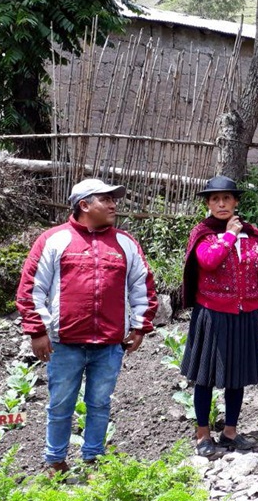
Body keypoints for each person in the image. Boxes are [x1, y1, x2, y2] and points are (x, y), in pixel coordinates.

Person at [16, 178, 158, 474]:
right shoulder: (54, 240)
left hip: (108, 345)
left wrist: (139, 327)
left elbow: (141, 286)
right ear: (84, 205)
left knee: (99, 404)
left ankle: (94, 458)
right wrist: (38, 331)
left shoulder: (125, 243)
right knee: (59, 406)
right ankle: (55, 461)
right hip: (64, 343)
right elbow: (32, 288)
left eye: (113, 199)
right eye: (104, 199)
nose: (113, 204)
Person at [180, 175, 258, 457]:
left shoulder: (252, 234)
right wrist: (228, 236)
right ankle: (202, 434)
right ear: (208, 204)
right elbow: (208, 262)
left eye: (226, 199)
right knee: (205, 376)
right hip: (212, 314)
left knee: (237, 375)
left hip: (245, 315)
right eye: (215, 199)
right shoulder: (204, 233)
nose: (221, 204)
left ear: (236, 202)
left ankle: (230, 432)